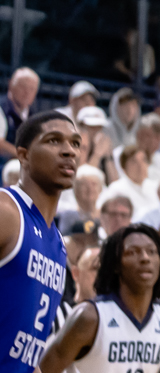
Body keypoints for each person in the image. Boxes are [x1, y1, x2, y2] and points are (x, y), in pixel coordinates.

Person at [38, 225, 160, 373]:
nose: (145, 258)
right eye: (132, 252)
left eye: (151, 251)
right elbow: (43, 369)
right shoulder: (90, 317)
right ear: (116, 265)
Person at [0, 111, 79, 371]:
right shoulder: (7, 211)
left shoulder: (58, 245)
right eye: (54, 140)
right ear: (23, 156)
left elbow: (25, 352)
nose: (69, 151)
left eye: (75, 143)